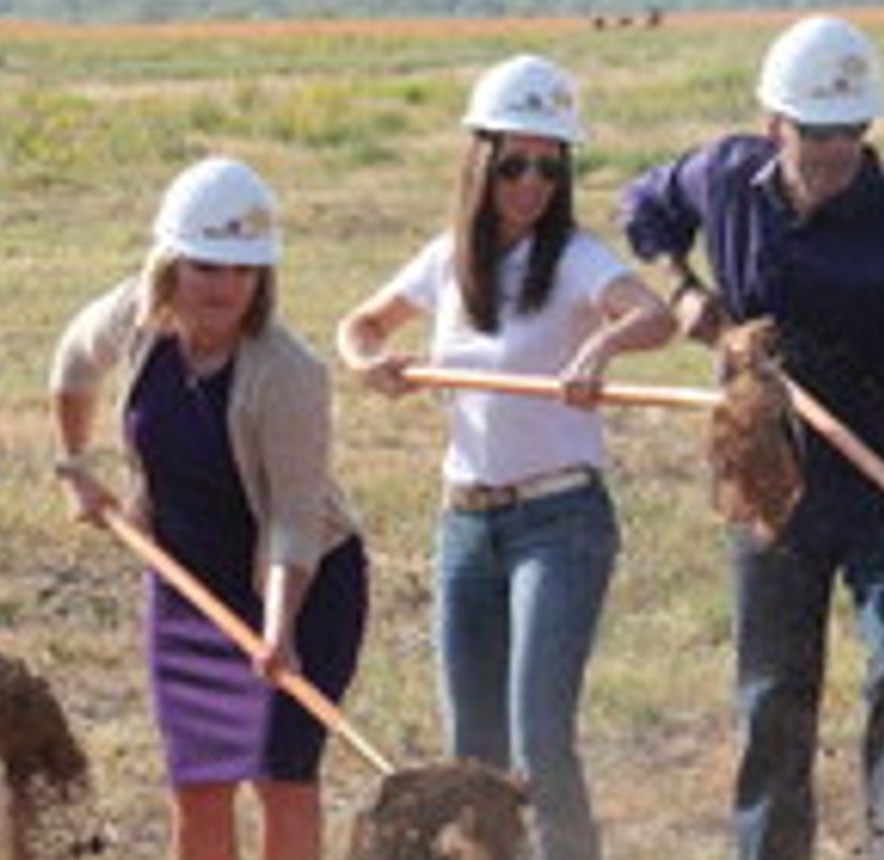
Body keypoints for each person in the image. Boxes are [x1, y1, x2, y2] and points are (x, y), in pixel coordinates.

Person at [616, 16, 884, 860]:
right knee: (774, 690)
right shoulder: (723, 176)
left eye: (853, 131)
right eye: (816, 132)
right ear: (774, 122)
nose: (836, 151)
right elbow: (643, 207)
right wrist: (684, 287)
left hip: (883, 476)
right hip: (767, 465)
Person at [336, 54, 676, 860]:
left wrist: (601, 347)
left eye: (551, 168)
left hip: (559, 521)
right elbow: (359, 325)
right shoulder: (446, 261)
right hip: (465, 526)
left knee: (539, 741)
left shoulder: (576, 259)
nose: (533, 185)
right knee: (473, 754)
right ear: (480, 160)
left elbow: (655, 316)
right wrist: (368, 362)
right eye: (516, 164)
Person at [50, 156, 368, 860]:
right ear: (170, 264)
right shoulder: (136, 318)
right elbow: (74, 362)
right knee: (197, 784)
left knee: (281, 778)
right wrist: (75, 467)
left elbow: (293, 518)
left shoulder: (289, 373)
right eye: (207, 267)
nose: (226, 287)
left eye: (244, 270)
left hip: (302, 588)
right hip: (185, 581)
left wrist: (278, 629)